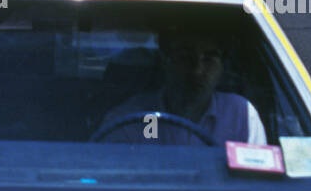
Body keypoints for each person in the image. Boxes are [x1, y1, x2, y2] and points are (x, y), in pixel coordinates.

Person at [95, 30, 268, 146]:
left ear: (222, 66)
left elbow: (260, 184)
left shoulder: (241, 115)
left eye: (209, 58)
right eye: (185, 57)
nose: (197, 71)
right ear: (165, 61)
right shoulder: (133, 120)